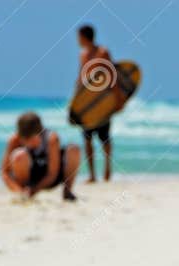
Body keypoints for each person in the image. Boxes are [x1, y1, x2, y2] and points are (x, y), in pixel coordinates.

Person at [77, 24, 125, 183]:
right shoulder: (82, 55)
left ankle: (107, 170)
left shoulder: (102, 52)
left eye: (79, 37)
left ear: (84, 37)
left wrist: (118, 99)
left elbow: (113, 75)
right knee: (87, 139)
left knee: (104, 137)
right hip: (87, 104)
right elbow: (81, 78)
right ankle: (92, 175)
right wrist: (76, 101)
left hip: (103, 101)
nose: (77, 40)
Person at [0, 112, 80, 201]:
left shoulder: (51, 138)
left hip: (50, 177)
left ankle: (67, 191)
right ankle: (23, 193)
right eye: (26, 140)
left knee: (74, 149)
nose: (30, 143)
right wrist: (18, 190)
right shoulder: (15, 140)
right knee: (19, 155)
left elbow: (52, 173)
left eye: (32, 139)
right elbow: (5, 172)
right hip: (29, 177)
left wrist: (35, 190)